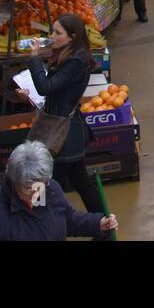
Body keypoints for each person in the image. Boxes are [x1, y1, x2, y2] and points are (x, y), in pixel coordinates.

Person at [26, 15, 108, 228]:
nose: (52, 36)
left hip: (64, 134)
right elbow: (54, 90)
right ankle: (104, 226)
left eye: (57, 33)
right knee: (81, 181)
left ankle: (42, 228)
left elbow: (46, 87)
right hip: (64, 129)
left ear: (72, 37)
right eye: (52, 31)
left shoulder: (76, 61)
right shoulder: (69, 55)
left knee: (46, 185)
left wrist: (34, 58)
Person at [0, 141, 117, 241]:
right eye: (27, 188)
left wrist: (97, 223)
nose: (35, 194)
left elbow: (66, 218)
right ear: (14, 181)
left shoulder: (49, 189)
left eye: (40, 185)